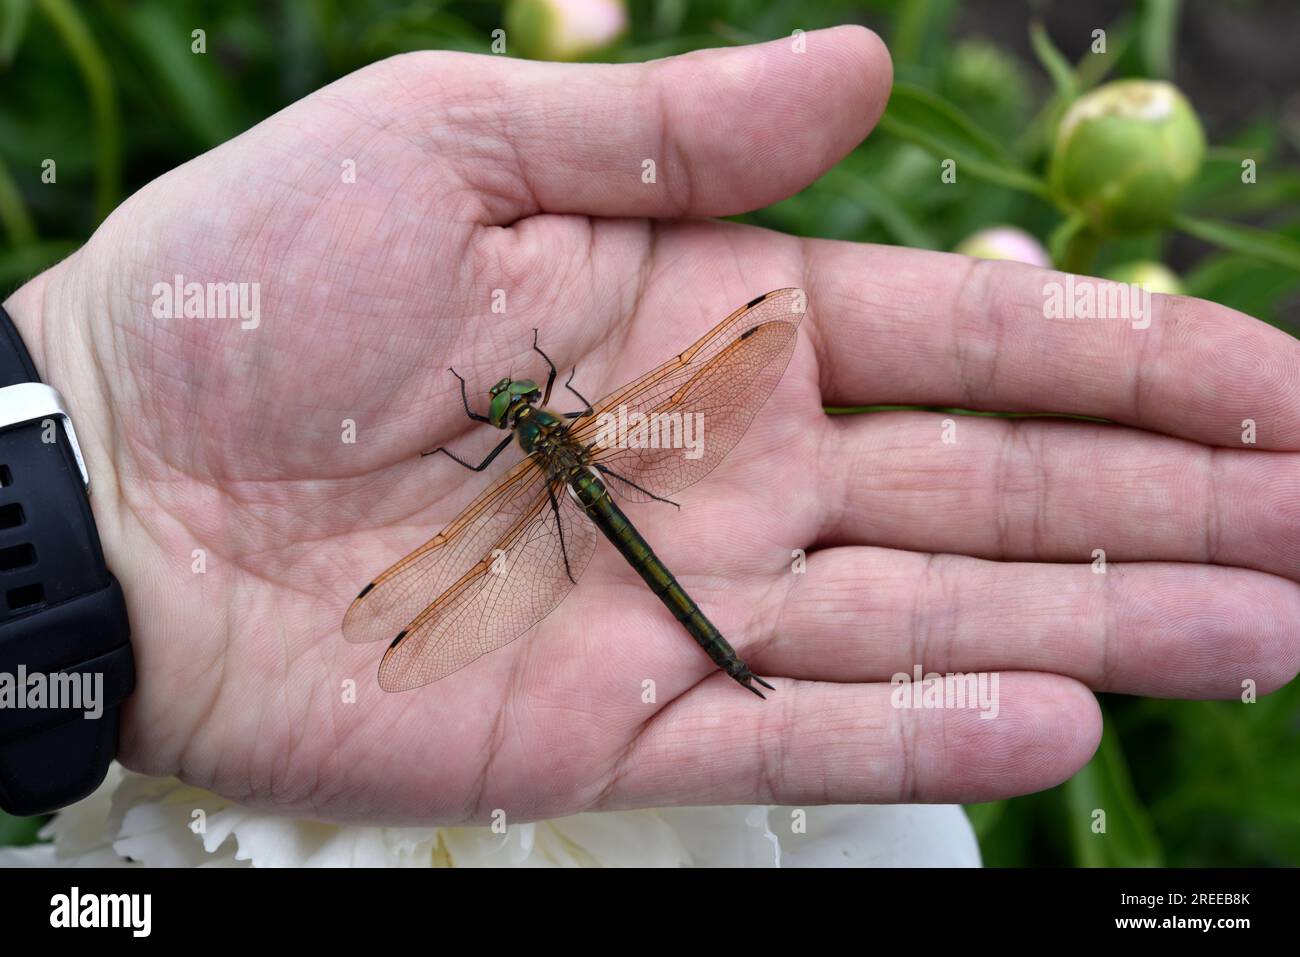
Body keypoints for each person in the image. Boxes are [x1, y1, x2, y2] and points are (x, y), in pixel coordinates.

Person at [4, 26, 1296, 825]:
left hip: (586, 497)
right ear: (542, 420)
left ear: (534, 418)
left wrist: (93, 449)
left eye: (521, 405)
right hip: (616, 484)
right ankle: (720, 637)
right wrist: (104, 428)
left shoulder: (519, 447)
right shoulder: (574, 427)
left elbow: (487, 440)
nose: (516, 412)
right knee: (616, 524)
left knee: (580, 532)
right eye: (519, 408)